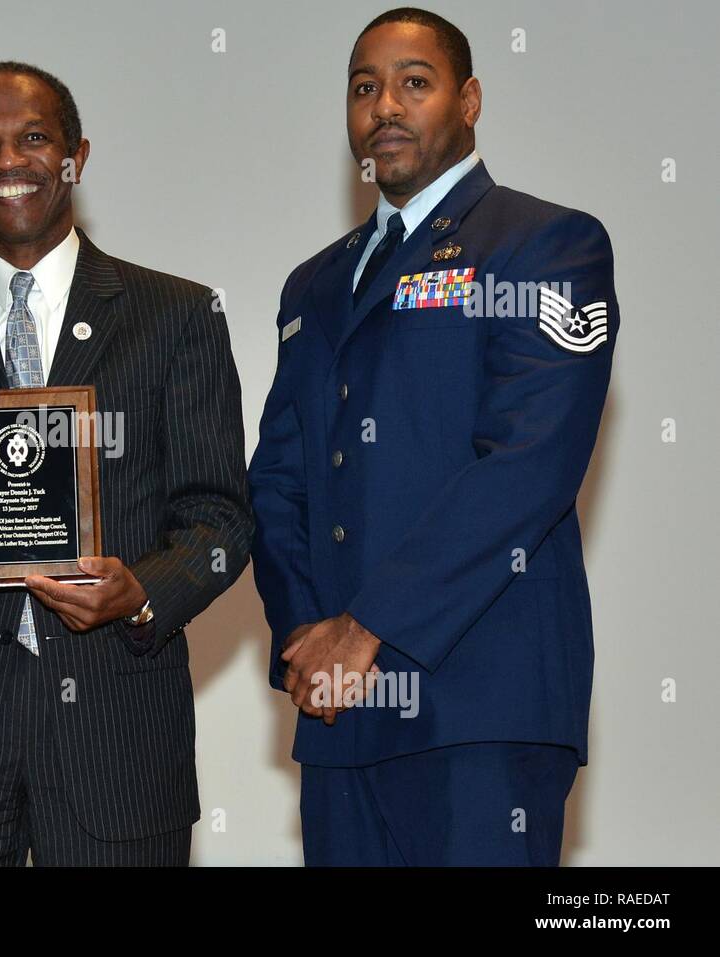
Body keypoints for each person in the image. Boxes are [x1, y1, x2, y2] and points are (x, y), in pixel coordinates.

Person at [0, 62, 252, 865]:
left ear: (77, 155)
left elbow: (221, 515)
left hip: (120, 739)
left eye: (33, 137)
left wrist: (143, 590)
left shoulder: (175, 317)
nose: (8, 161)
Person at [249, 8, 618, 865]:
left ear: (471, 99)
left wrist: (369, 627)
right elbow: (279, 481)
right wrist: (312, 635)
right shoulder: (314, 283)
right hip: (341, 712)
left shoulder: (546, 243)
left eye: (414, 83)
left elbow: (529, 464)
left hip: (481, 705)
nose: (386, 106)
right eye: (364, 88)